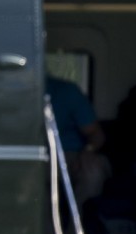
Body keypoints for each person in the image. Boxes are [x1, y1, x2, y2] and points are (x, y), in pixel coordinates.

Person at [47, 74, 109, 205]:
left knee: (93, 171)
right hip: (29, 156)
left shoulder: (66, 91)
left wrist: (88, 151)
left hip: (70, 154)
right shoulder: (11, 91)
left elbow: (95, 133)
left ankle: (80, 218)